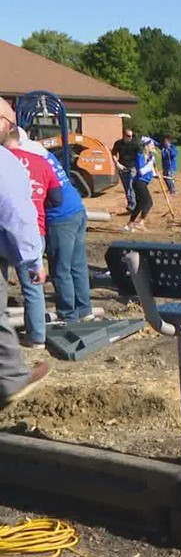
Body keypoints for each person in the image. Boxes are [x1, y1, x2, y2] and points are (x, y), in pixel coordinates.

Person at [0, 98, 52, 410]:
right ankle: (11, 379)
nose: (12, 126)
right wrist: (34, 259)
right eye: (9, 119)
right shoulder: (5, 162)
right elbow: (16, 214)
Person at [18, 128, 92, 324]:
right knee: (77, 264)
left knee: (60, 268)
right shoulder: (44, 153)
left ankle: (68, 315)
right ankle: (84, 309)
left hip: (60, 218)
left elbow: (51, 197)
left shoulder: (26, 159)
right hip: (77, 209)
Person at [2, 129, 60, 348]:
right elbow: (56, 196)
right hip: (33, 229)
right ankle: (36, 336)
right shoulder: (39, 160)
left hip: (7, 230)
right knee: (33, 286)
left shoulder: (7, 161)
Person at [125, 138, 156, 232]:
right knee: (149, 203)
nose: (153, 147)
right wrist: (151, 163)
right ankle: (141, 223)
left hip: (143, 182)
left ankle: (129, 224)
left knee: (140, 205)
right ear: (146, 146)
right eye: (151, 145)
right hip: (139, 182)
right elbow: (141, 171)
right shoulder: (140, 156)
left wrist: (155, 174)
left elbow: (150, 170)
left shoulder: (150, 156)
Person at [111, 127, 141, 213]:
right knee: (127, 188)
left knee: (131, 187)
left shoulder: (135, 144)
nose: (130, 138)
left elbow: (141, 155)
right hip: (122, 168)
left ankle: (133, 206)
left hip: (132, 168)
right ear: (124, 135)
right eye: (128, 136)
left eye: (132, 136)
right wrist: (117, 164)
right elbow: (113, 154)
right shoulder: (118, 144)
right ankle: (131, 204)